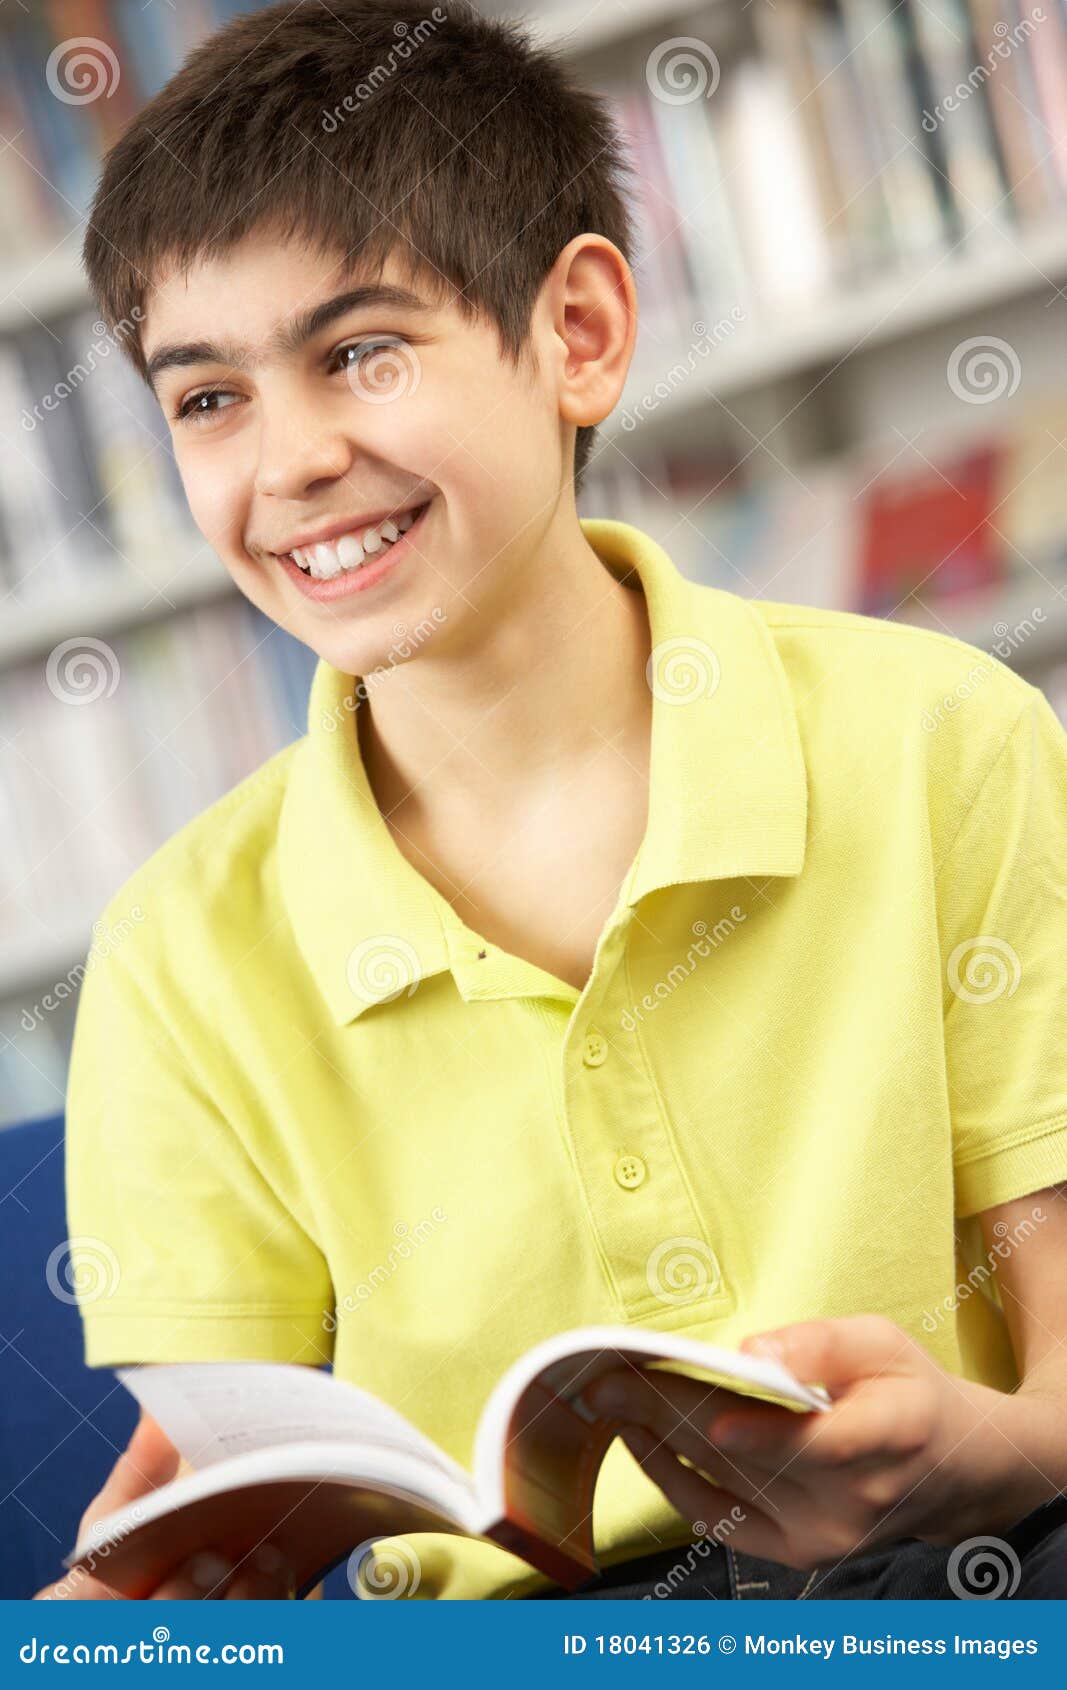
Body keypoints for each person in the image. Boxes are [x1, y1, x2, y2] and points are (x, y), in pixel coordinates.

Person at [43, 0, 1067, 1601]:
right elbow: (215, 1516)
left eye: (361, 352)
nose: (290, 460)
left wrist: (973, 1450)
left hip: (960, 1570)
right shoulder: (176, 956)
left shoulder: (942, 740)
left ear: (577, 334)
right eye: (209, 398)